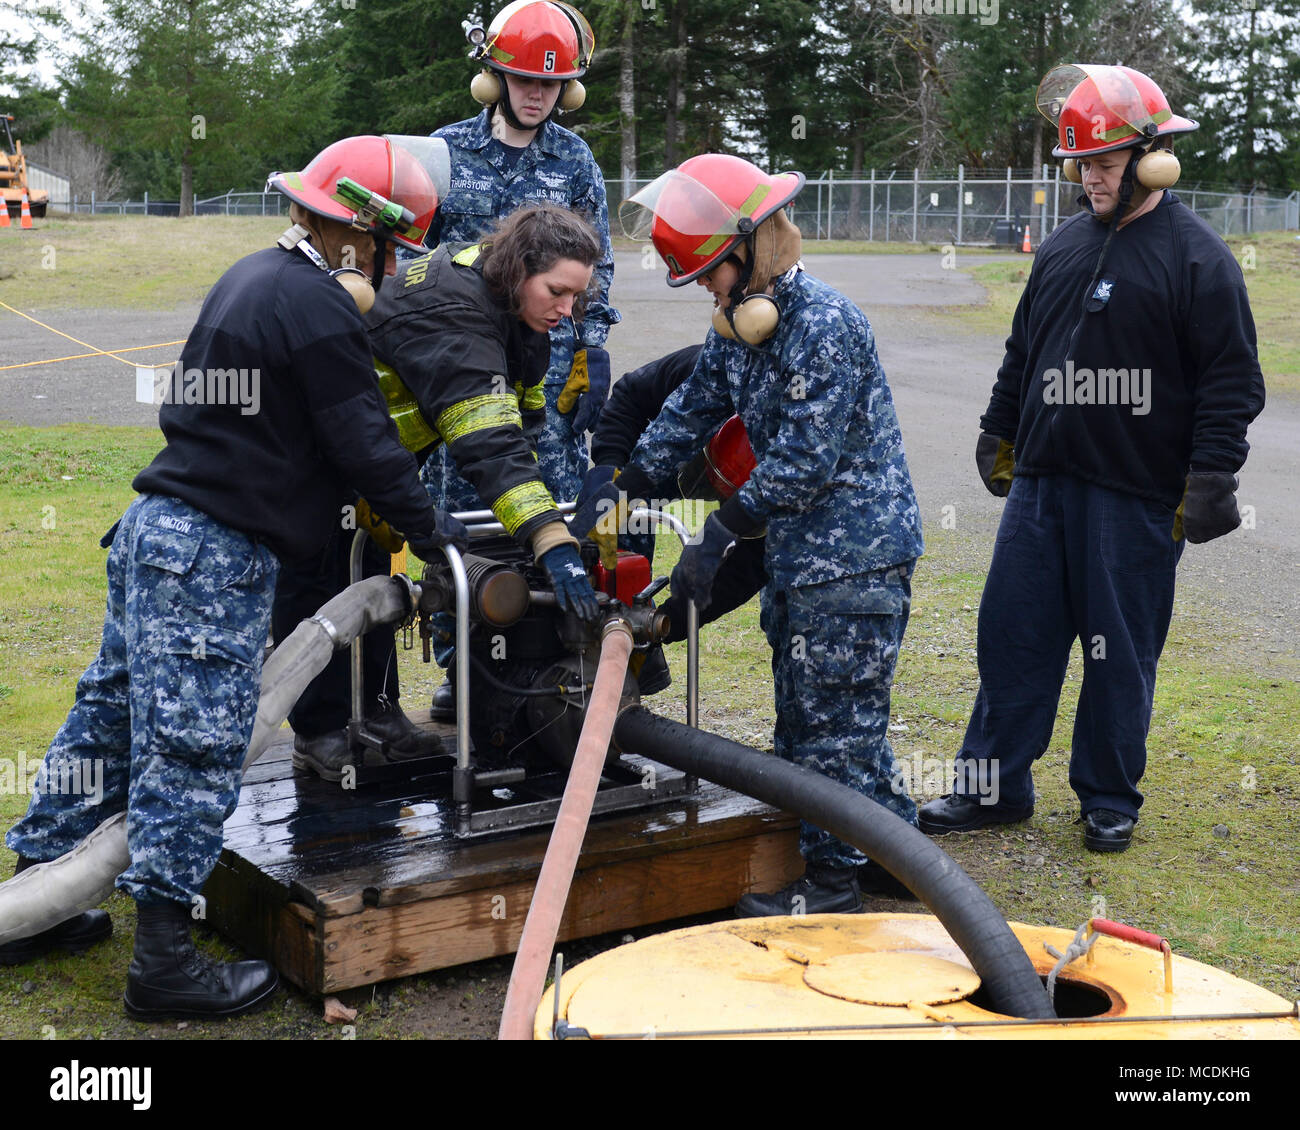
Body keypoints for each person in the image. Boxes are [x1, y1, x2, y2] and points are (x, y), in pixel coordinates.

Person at [0, 135, 469, 1019]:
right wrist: (435, 534)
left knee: (110, 710)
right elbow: (366, 442)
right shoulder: (320, 307)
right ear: (358, 236)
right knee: (197, 750)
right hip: (211, 554)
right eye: (389, 248)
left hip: (153, 531)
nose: (388, 265)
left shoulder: (253, 276)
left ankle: (38, 897)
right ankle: (166, 963)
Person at [917, 65, 1265, 853]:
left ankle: (1109, 796)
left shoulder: (1200, 260)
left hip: (1136, 496)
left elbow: (1232, 382)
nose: (1089, 178)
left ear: (1153, 160)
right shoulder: (1065, 245)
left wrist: (1211, 476)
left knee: (1120, 653)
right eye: (1081, 164)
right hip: (1041, 485)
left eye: (1105, 164)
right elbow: (1022, 349)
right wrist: (999, 426)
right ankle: (993, 788)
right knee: (1013, 638)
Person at [573, 154, 925, 914]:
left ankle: (832, 887)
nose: (705, 286)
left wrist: (718, 533)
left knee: (833, 728)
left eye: (710, 271)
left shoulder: (823, 325)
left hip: (853, 560)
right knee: (814, 715)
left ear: (751, 248)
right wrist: (624, 487)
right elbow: (687, 414)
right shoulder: (738, 329)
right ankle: (898, 856)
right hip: (802, 560)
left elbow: (803, 461)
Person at [421, 0, 620, 510]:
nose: (537, 94)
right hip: (463, 362)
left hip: (549, 366)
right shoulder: (445, 150)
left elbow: (598, 263)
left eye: (550, 84)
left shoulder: (574, 159)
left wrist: (591, 347)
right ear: (494, 77)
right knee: (466, 503)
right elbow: (413, 258)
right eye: (523, 79)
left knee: (554, 499)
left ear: (567, 90)